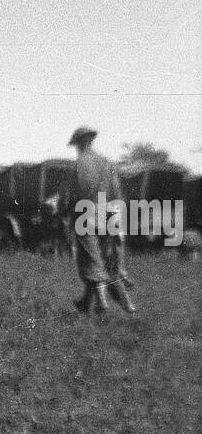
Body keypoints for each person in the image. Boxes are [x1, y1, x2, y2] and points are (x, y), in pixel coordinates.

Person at [68, 127, 136, 314]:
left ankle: (102, 302)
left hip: (85, 212)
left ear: (80, 144)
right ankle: (86, 303)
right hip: (108, 211)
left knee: (89, 259)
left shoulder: (78, 165)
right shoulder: (107, 163)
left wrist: (65, 211)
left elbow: (72, 194)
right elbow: (117, 193)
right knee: (106, 260)